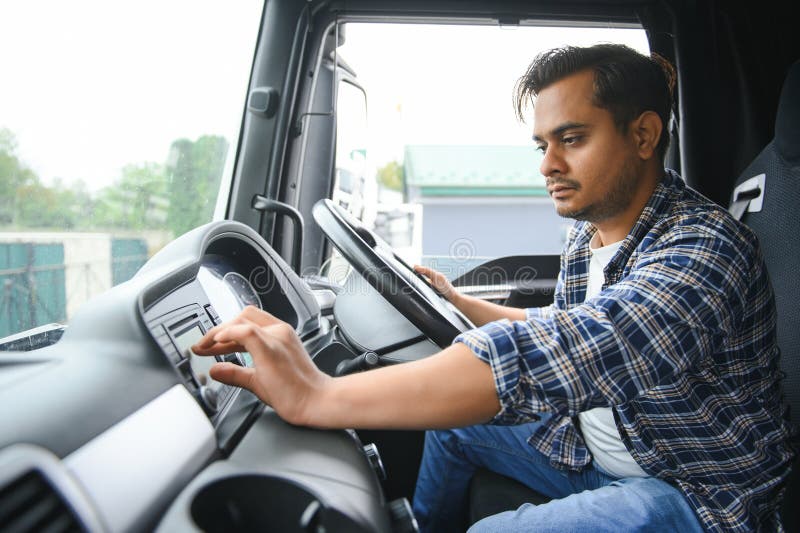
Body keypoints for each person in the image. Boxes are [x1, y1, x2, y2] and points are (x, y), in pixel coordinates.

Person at [193, 44, 794, 532]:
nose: (547, 165)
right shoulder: (590, 233)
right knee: (456, 424)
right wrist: (454, 304)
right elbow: (562, 329)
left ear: (643, 136)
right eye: (543, 144)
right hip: (606, 444)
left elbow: (566, 354)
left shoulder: (703, 252)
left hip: (694, 490)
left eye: (573, 139)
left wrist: (318, 396)